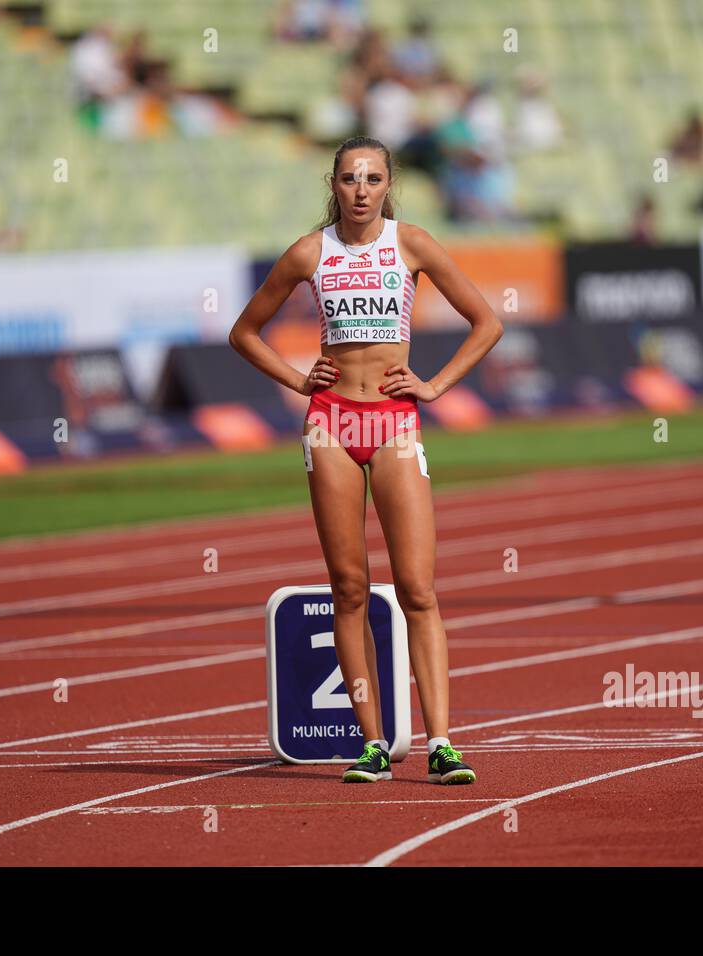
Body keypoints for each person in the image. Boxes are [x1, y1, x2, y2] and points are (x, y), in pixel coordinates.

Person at [228, 135, 503, 784]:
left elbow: (487, 323)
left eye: (372, 178)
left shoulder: (412, 243)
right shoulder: (307, 252)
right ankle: (374, 744)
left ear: (388, 183)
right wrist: (298, 380)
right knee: (348, 588)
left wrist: (433, 385)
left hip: (394, 424)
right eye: (350, 177)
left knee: (417, 588)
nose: (360, 189)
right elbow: (243, 332)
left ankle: (441, 744)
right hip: (329, 426)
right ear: (333, 183)